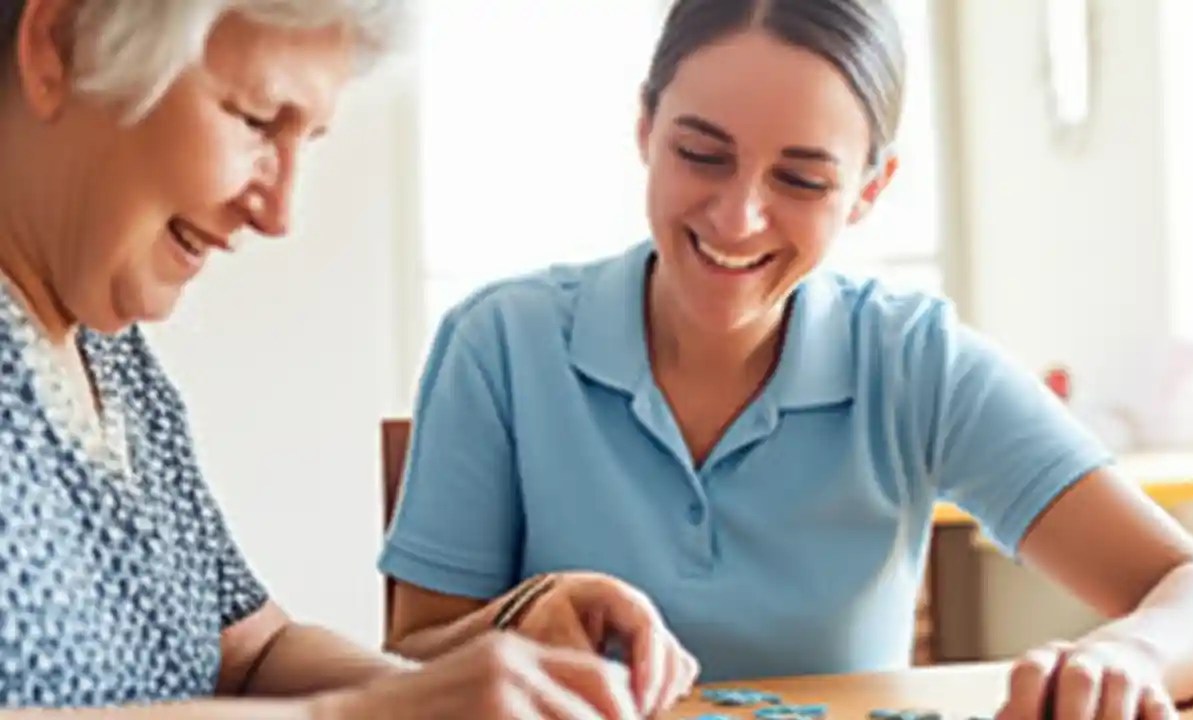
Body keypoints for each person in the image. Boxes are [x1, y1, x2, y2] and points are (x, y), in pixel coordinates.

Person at [378, 0, 1193, 718]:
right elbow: (410, 658)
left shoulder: (913, 360)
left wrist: (1129, 654)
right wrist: (523, 614)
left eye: (802, 179)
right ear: (645, 128)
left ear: (869, 189)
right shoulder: (502, 343)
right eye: (701, 154)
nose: (738, 218)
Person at [0, 0, 695, 716]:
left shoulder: (113, 361)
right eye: (256, 120)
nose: (278, 213)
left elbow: (251, 652)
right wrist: (353, 716)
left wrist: (459, 693)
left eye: (306, 141)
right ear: (60, 46)